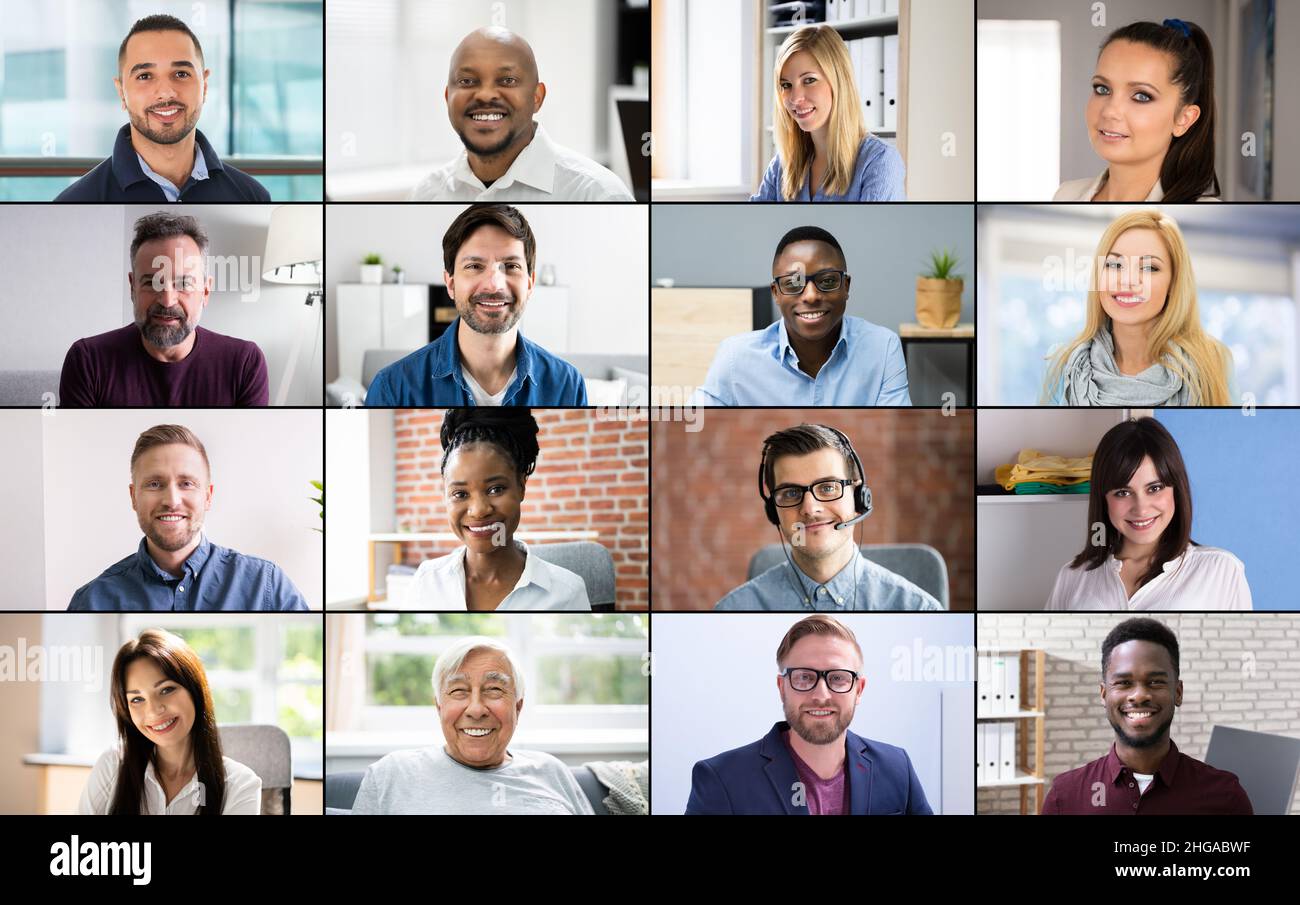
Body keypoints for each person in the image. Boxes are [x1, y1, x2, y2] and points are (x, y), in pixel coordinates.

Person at [686, 615, 932, 815]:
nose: (821, 694)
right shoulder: (721, 779)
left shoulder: (897, 767)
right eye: (804, 677)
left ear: (859, 690)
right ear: (782, 688)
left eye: (837, 678)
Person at [67, 424, 310, 611]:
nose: (171, 500)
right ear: (133, 496)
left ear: (208, 496)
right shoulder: (92, 600)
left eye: (186, 483)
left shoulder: (266, 585)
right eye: (154, 484)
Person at [365, 204, 587, 406]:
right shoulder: (393, 389)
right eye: (474, 266)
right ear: (450, 284)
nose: (494, 284)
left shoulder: (567, 385)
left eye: (511, 265)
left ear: (530, 283)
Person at [350, 636, 594, 814]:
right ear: (439, 707)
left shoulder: (552, 772)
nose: (476, 709)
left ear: (517, 707)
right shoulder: (391, 774)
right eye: (458, 691)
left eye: (494, 690)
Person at [715, 424, 941, 611]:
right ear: (773, 510)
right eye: (791, 493)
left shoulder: (920, 609)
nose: (810, 509)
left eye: (828, 488)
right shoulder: (731, 611)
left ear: (858, 498)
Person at [1041, 618, 1252, 814]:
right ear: (1104, 695)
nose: (1139, 695)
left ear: (1177, 693)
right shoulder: (1065, 796)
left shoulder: (1226, 797)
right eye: (1124, 683)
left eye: (1155, 682)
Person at [60, 212, 269, 407]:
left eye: (183, 283)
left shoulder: (244, 363)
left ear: (205, 291)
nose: (168, 301)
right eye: (152, 283)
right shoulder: (87, 361)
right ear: (133, 288)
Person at [54, 14, 269, 203]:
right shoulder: (75, 204)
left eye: (181, 74)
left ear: (204, 86)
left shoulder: (252, 197)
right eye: (145, 76)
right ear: (121, 92)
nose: (166, 92)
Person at [692, 226, 911, 406]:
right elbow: (693, 429)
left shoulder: (882, 348)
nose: (811, 296)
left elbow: (894, 434)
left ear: (846, 286)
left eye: (827, 281)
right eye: (793, 283)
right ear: (776, 293)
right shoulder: (735, 357)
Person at [1046, 417, 1250, 611]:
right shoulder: (1073, 576)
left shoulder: (1221, 570)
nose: (1141, 509)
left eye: (1154, 488)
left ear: (1176, 491)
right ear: (1104, 498)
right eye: (1123, 493)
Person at [409, 26, 632, 202]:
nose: (485, 95)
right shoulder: (425, 195)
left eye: (507, 80)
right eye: (467, 81)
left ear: (537, 97)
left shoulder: (598, 195)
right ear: (448, 97)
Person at [1042, 210, 1235, 406]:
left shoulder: (1213, 361)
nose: (1127, 281)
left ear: (1173, 283)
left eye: (1149, 268)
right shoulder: (1063, 363)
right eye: (1115, 265)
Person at [407, 409, 591, 610]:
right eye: (460, 494)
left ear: (521, 486)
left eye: (495, 489)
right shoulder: (426, 581)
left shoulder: (567, 592)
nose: (479, 510)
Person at [79, 629, 262, 814]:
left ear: (195, 690)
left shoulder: (240, 784)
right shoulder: (112, 764)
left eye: (166, 690)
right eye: (137, 699)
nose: (153, 710)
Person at [1054, 19, 1219, 202]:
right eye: (1102, 89)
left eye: (1141, 96)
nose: (1110, 111)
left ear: (1184, 119)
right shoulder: (1066, 194)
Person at [751, 25, 905, 202]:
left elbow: (873, 230)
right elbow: (750, 227)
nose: (795, 98)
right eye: (786, 85)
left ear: (839, 82)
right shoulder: (781, 167)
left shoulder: (880, 162)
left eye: (809, 80)